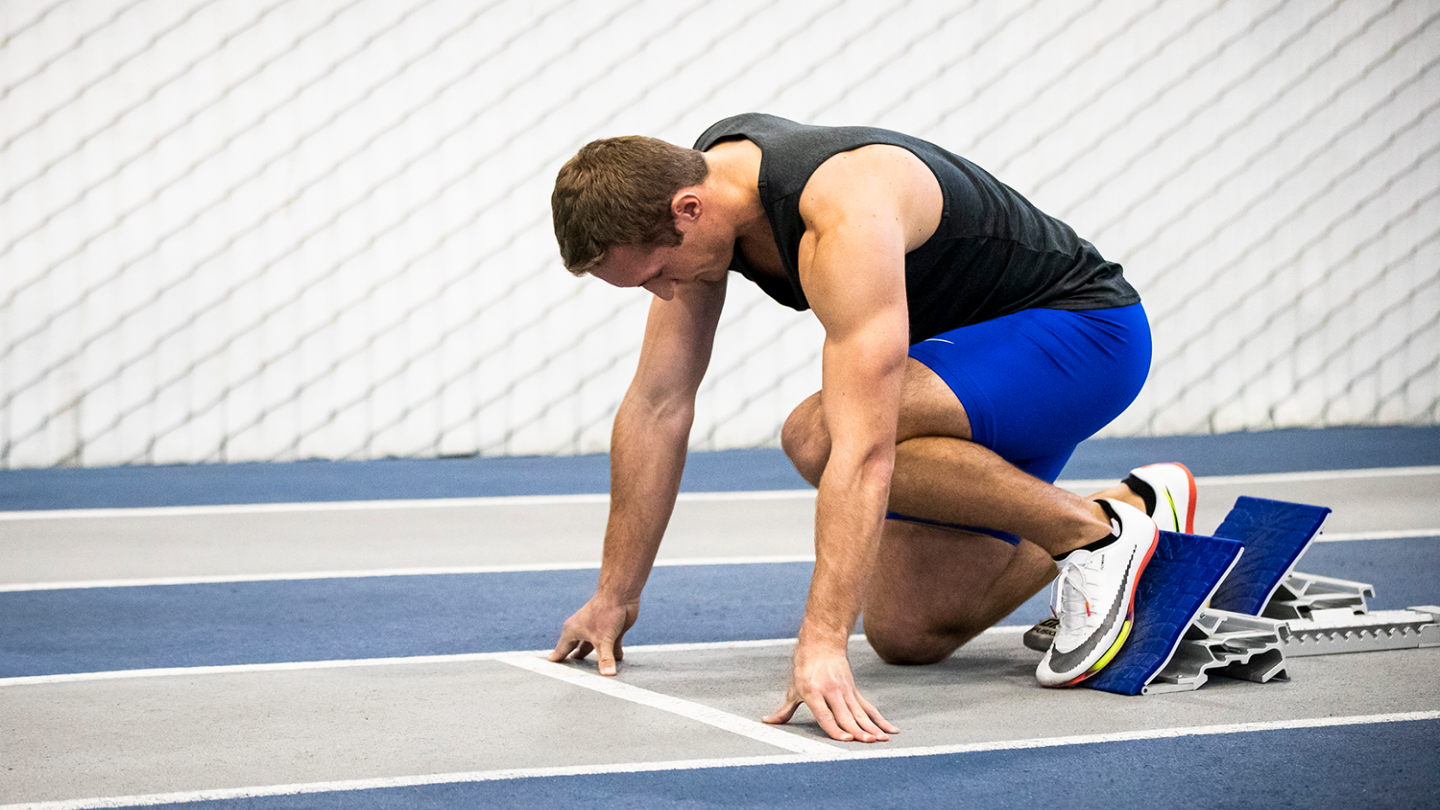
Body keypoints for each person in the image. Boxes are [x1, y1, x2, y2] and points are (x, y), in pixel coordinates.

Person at [546, 112, 1195, 744]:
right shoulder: (702, 203)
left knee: (817, 433)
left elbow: (863, 448)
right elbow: (658, 403)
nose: (662, 292)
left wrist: (823, 643)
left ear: (688, 209)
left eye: (658, 274)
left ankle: (1097, 539)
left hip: (1085, 337)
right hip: (979, 366)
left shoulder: (842, 207)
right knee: (910, 631)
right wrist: (614, 596)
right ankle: (1134, 506)